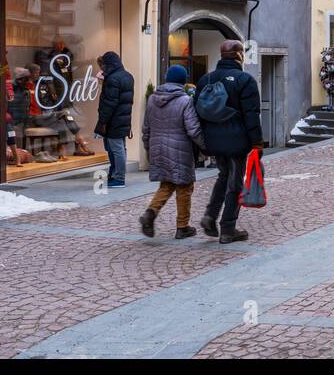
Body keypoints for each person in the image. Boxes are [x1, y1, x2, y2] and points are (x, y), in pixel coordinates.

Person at [195, 40, 263, 244]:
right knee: (235, 182)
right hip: (237, 141)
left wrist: (201, 141)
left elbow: (196, 112)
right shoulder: (245, 80)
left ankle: (209, 216)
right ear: (239, 55)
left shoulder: (206, 79)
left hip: (213, 140)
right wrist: (257, 143)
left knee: (223, 176)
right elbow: (251, 115)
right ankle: (228, 228)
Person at [138, 65, 205, 240]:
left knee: (167, 184)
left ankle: (150, 213)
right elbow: (193, 129)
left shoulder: (152, 99)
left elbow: (146, 128)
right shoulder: (185, 100)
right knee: (184, 186)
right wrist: (206, 147)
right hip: (180, 149)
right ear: (183, 81)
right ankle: (182, 227)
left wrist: (148, 149)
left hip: (157, 147)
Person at [94, 50, 134, 188]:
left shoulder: (113, 79)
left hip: (114, 120)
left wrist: (102, 122)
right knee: (120, 148)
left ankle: (118, 178)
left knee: (116, 149)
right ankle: (116, 175)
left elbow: (109, 103)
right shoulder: (127, 76)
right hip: (124, 118)